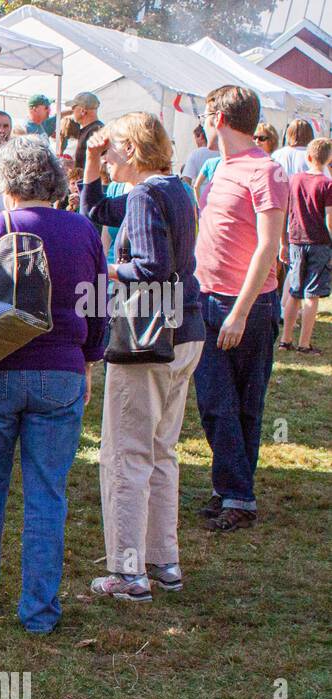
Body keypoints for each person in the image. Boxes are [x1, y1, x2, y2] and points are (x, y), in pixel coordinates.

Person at [0, 136, 106, 633]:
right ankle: (38, 611)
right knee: (46, 493)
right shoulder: (83, 230)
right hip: (61, 374)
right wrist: (90, 361)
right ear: (54, 180)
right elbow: (97, 306)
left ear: (6, 182)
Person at [80, 113, 206, 601]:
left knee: (125, 454)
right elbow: (94, 209)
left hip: (149, 339)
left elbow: (152, 266)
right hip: (184, 329)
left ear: (131, 150)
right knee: (160, 451)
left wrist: (106, 268)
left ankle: (129, 573)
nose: (107, 161)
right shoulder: (174, 189)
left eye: (110, 151)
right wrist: (90, 161)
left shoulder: (143, 195)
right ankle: (163, 560)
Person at [192, 85, 289, 533]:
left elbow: (269, 245)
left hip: (246, 305)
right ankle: (233, 489)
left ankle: (235, 495)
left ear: (219, 120)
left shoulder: (265, 171)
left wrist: (241, 311)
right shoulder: (220, 168)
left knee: (245, 404)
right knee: (215, 403)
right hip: (207, 298)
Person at [280, 136, 332, 355]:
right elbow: (329, 219)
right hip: (319, 241)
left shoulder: (295, 180)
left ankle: (286, 339)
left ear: (308, 157)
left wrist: (282, 241)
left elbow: (284, 211)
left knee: (294, 290)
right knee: (312, 294)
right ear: (329, 160)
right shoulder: (327, 184)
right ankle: (304, 343)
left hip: (296, 240)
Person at [61, 92, 103, 160]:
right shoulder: (90, 129)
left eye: (73, 107)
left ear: (82, 111)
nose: (72, 110)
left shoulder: (95, 130)